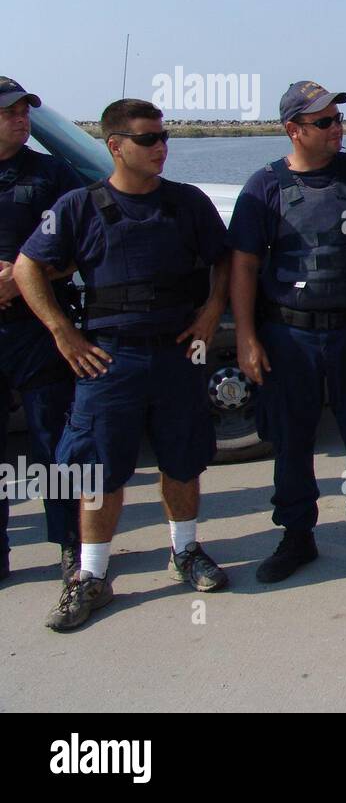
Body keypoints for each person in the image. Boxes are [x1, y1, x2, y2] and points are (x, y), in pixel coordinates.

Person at [15, 98, 231, 631]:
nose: (161, 147)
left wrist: (210, 313)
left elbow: (226, 259)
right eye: (148, 139)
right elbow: (27, 268)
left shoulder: (188, 203)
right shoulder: (78, 207)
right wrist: (62, 333)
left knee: (182, 461)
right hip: (111, 360)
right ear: (116, 146)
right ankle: (91, 576)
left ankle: (185, 551)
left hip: (178, 356)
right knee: (101, 468)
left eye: (163, 137)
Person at [230, 81, 346, 583]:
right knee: (290, 438)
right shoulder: (263, 187)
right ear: (293, 130)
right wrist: (247, 338)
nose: (337, 128)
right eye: (324, 122)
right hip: (289, 337)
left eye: (338, 119)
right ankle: (296, 535)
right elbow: (243, 265)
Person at [0, 78, 81, 585]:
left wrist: (22, 276)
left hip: (40, 326)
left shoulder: (52, 174)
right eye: (9, 111)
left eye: (25, 110)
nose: (21, 118)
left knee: (57, 442)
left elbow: (82, 243)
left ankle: (72, 546)